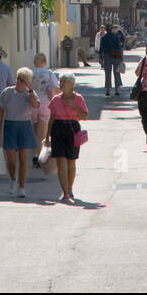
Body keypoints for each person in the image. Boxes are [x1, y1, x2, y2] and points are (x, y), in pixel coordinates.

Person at [45, 74, 89, 203]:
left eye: (65, 81)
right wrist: (47, 137)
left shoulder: (79, 98)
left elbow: (85, 116)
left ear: (72, 84)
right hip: (58, 128)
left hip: (72, 129)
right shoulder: (55, 99)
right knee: (60, 162)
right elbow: (51, 118)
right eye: (61, 81)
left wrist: (74, 106)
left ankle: (70, 189)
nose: (61, 83)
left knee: (71, 161)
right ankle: (65, 192)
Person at [0, 68, 39, 197]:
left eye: (23, 80)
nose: (19, 81)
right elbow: (1, 109)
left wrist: (30, 90)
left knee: (23, 158)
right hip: (10, 125)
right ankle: (13, 179)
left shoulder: (30, 93)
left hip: (25, 125)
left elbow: (35, 105)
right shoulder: (8, 92)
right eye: (18, 78)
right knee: (11, 158)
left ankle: (22, 187)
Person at [30, 52, 60, 167]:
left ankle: (34, 155)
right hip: (45, 104)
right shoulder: (49, 73)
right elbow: (56, 88)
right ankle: (41, 156)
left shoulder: (30, 73)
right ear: (44, 62)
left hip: (33, 104)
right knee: (42, 133)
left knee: (33, 131)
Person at [99, 25, 125, 96]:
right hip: (115, 55)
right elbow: (119, 47)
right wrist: (121, 57)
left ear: (106, 29)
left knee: (107, 73)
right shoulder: (115, 36)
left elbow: (101, 48)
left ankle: (108, 90)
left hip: (107, 56)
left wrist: (100, 57)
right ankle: (117, 90)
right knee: (116, 72)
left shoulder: (103, 38)